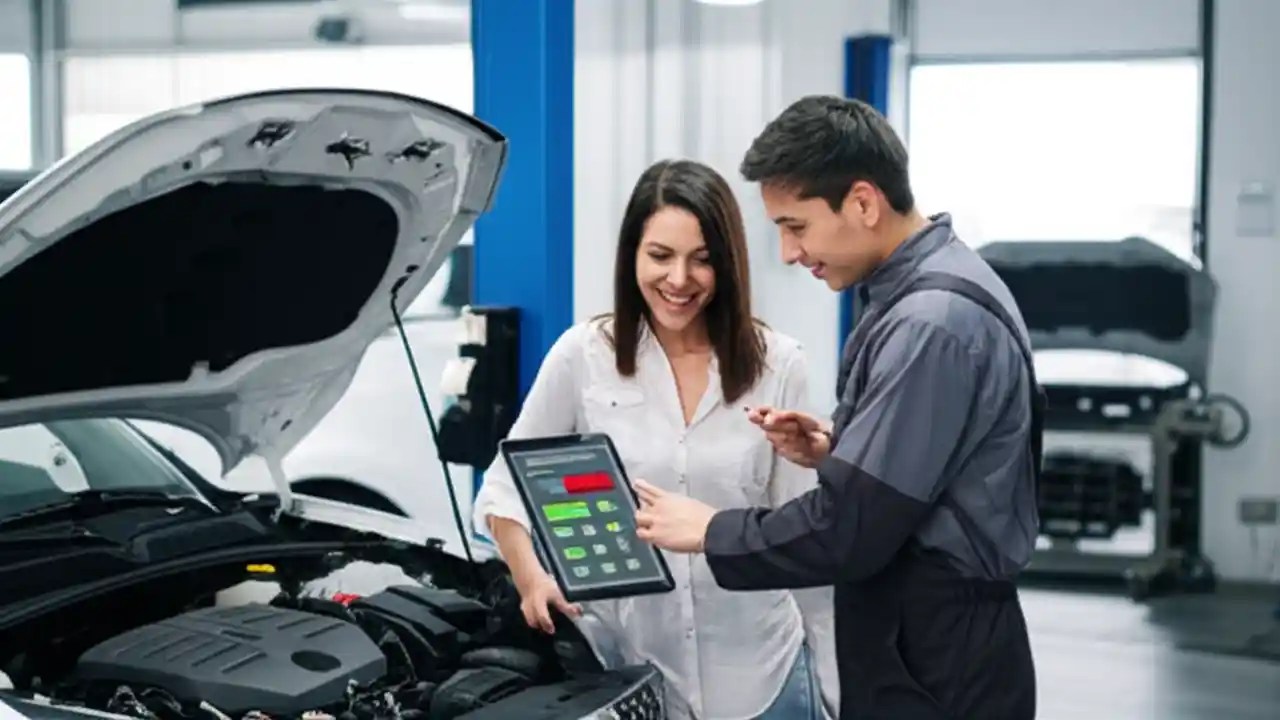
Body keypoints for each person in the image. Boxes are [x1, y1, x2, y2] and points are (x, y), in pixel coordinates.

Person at [632, 95, 1041, 720]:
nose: (791, 253)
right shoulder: (932, 287)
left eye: (795, 226)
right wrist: (836, 448)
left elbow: (850, 529)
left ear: (862, 203)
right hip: (926, 634)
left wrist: (712, 530)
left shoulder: (930, 323)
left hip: (936, 652)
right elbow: (941, 466)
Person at [471, 158, 840, 719]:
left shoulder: (778, 364)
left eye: (702, 260)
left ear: (729, 264)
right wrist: (531, 578)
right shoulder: (583, 355)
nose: (678, 280)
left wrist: (836, 687)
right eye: (660, 256)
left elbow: (803, 536)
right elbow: (504, 486)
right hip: (627, 671)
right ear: (632, 257)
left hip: (759, 678)